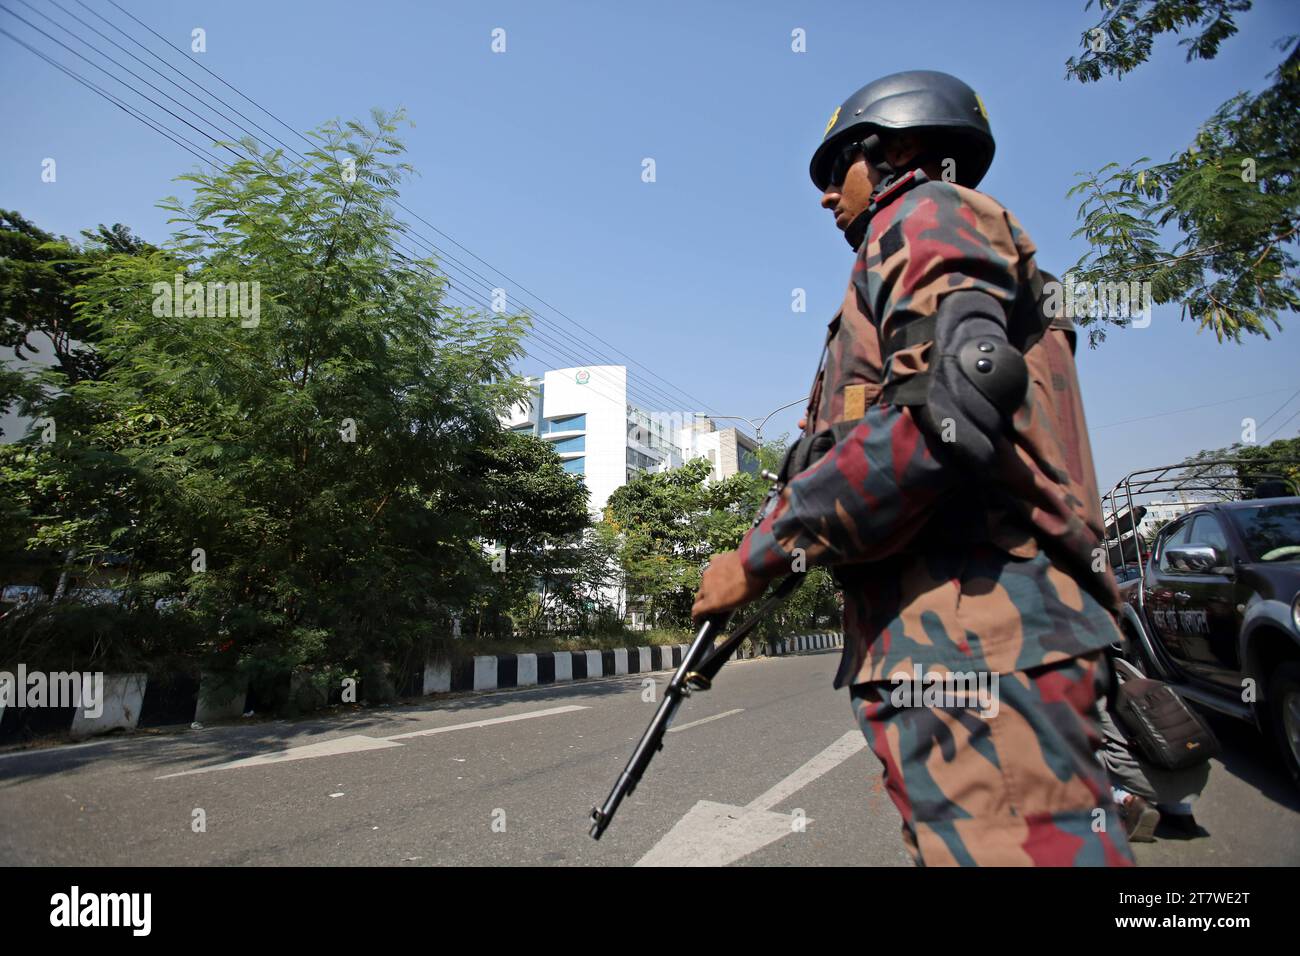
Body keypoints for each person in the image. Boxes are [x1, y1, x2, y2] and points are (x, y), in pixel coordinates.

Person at [692, 71, 1134, 866]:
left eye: (836, 172)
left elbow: (955, 403)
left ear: (893, 151)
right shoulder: (916, 243)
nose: (828, 197)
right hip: (960, 638)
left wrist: (755, 560)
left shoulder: (927, 212)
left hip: (979, 635)